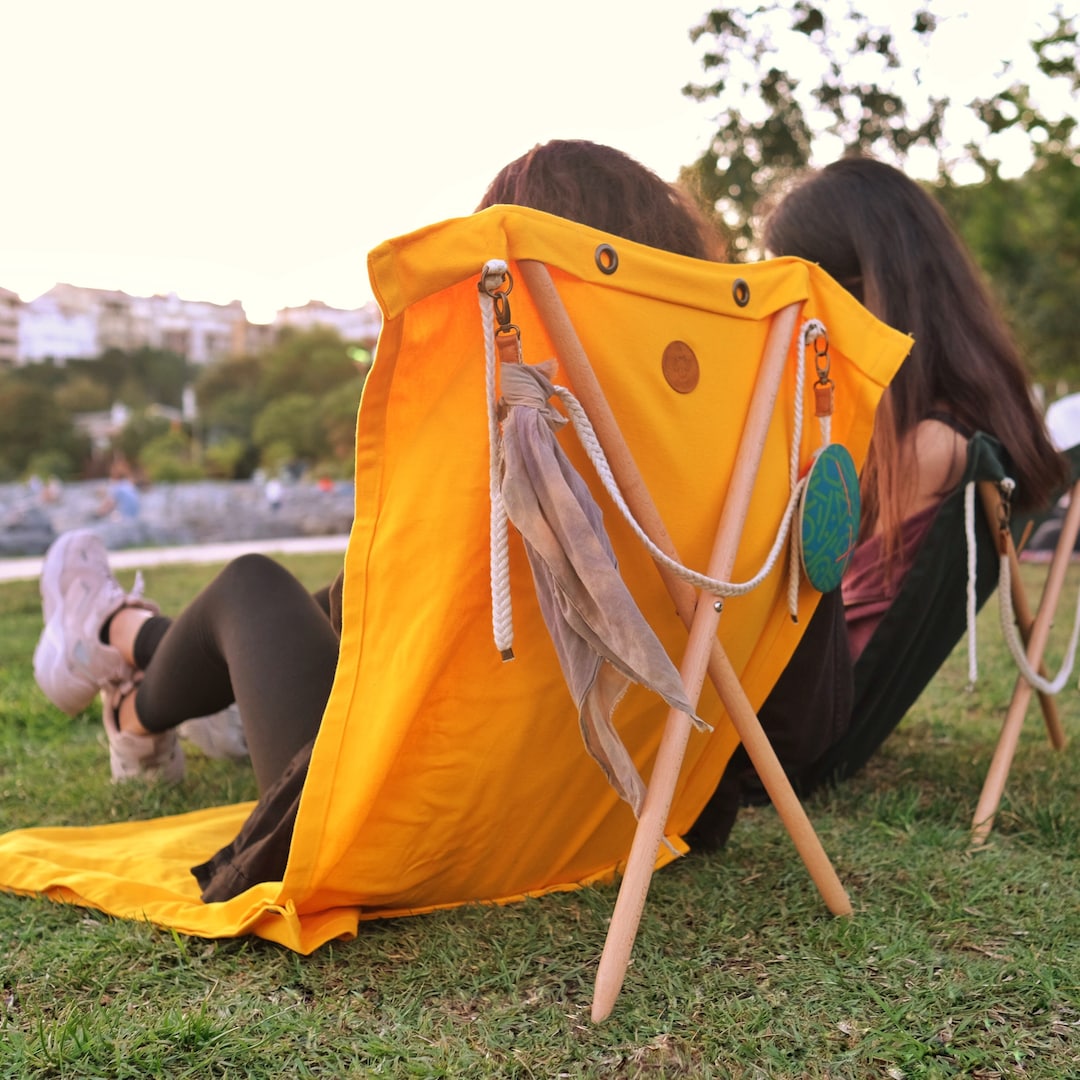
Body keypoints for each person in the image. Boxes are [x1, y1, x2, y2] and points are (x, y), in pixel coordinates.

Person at [31, 139, 726, 900]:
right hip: (609, 815)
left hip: (402, 837)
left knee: (255, 587)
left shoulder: (508, 424)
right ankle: (131, 648)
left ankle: (123, 671)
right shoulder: (716, 453)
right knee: (338, 596)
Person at [687, 156, 1066, 849]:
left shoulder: (927, 446)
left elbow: (826, 620)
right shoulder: (949, 426)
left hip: (792, 734)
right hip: (806, 710)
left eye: (800, 286)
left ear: (861, 291)